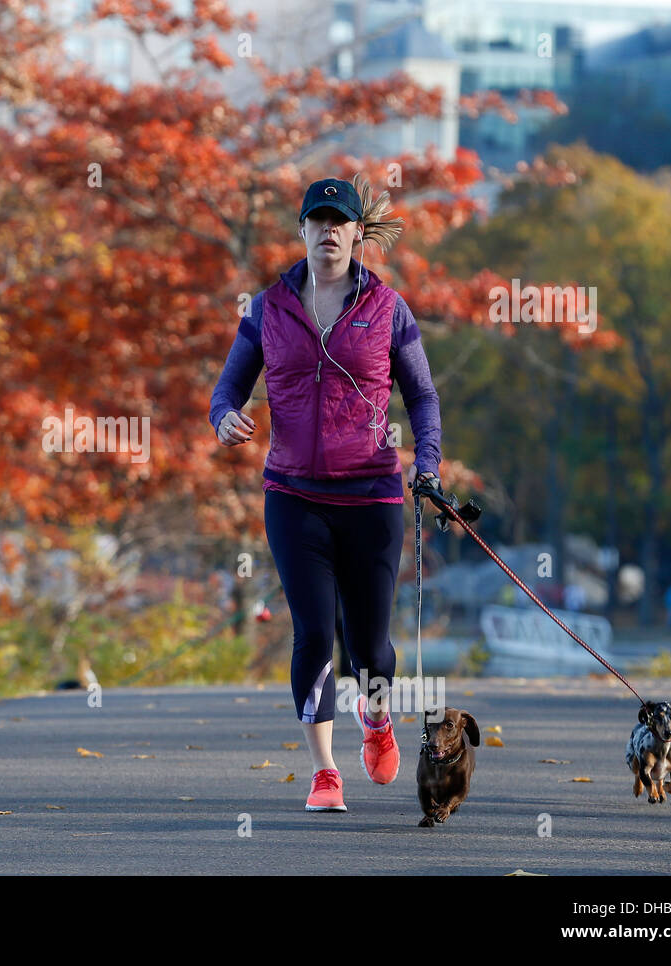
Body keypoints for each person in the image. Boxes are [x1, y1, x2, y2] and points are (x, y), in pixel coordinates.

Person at [208, 174, 446, 812]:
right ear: (303, 231)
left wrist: (427, 466)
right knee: (313, 633)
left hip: (372, 496)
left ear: (357, 233)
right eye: (318, 222)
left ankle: (376, 717)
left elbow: (422, 396)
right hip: (295, 496)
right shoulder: (267, 309)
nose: (328, 233)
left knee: (368, 646)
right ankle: (324, 772)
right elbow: (227, 389)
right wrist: (224, 417)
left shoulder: (388, 309)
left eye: (339, 223)